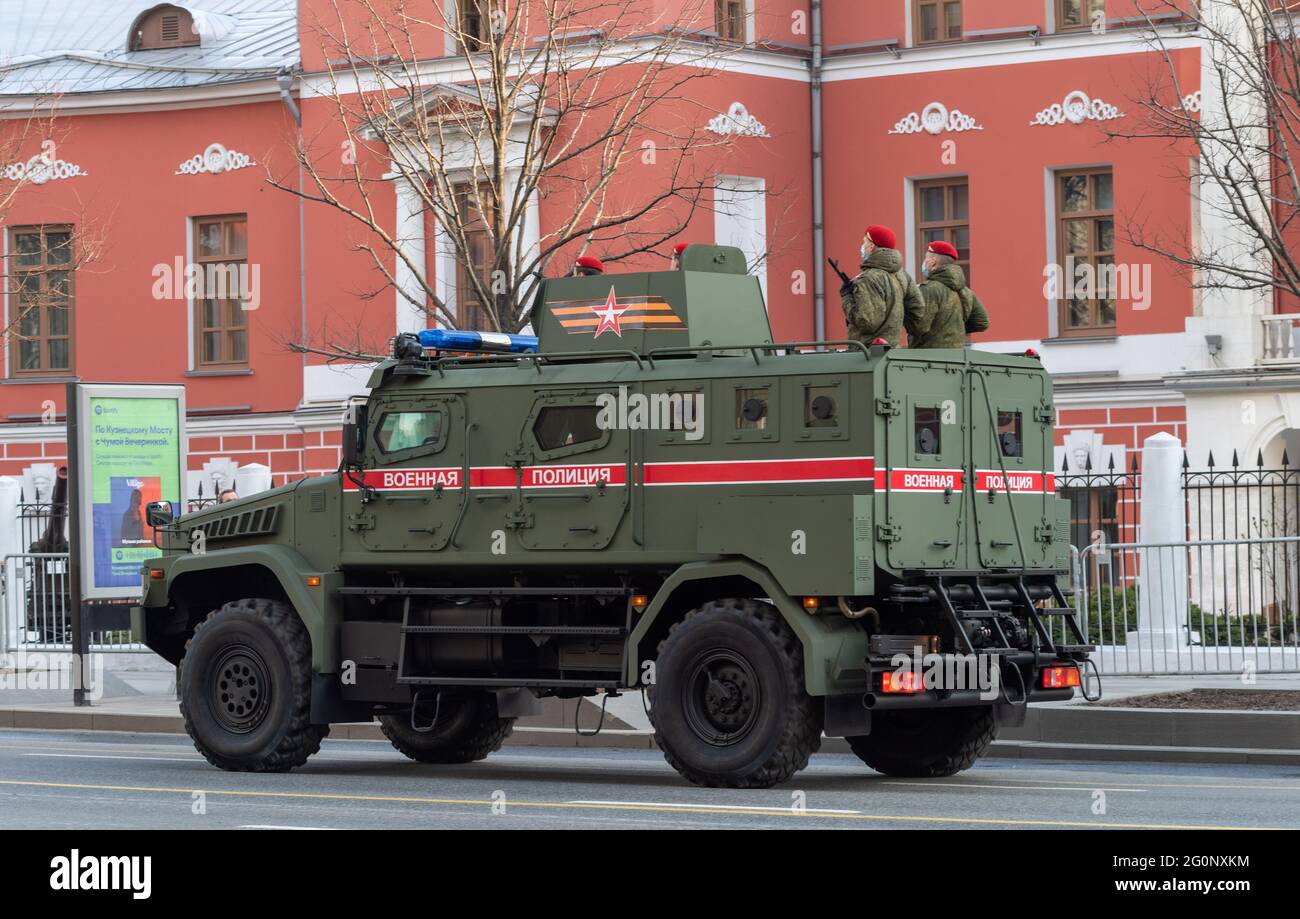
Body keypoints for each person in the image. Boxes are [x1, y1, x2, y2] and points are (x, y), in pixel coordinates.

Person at [840, 224, 923, 348]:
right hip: (893, 352)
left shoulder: (868, 278)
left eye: (864, 242)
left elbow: (867, 322)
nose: (862, 246)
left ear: (872, 246)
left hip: (866, 354)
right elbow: (918, 309)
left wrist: (847, 297)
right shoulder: (902, 275)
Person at [908, 240, 990, 349]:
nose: (924, 262)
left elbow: (920, 327)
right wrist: (953, 329)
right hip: (957, 356)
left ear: (933, 262)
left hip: (928, 357)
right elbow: (982, 322)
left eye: (926, 258)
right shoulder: (966, 291)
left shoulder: (929, 289)